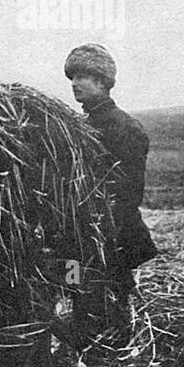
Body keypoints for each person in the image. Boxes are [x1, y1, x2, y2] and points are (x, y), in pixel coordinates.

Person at [64, 44, 159, 339]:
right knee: (75, 282)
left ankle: (114, 347)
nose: (75, 84)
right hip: (81, 229)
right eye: (73, 77)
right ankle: (82, 335)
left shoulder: (124, 128)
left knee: (112, 290)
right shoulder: (80, 125)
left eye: (84, 77)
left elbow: (129, 192)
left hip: (111, 231)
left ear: (103, 83)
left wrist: (102, 227)